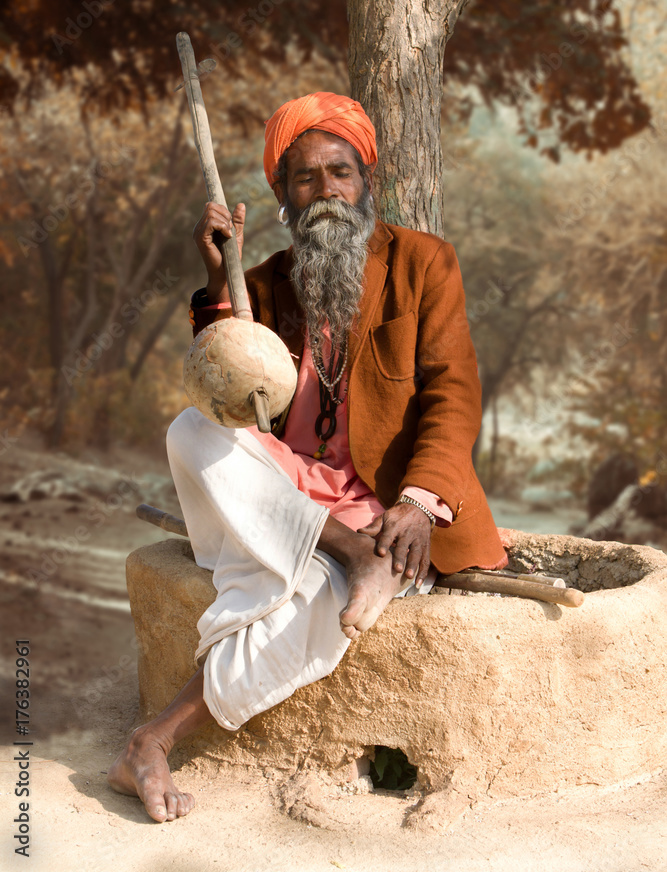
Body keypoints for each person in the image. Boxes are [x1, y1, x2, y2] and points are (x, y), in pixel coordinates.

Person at [107, 92, 507, 823]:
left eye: (340, 172)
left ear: (365, 182)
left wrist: (417, 505)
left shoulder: (423, 263)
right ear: (280, 195)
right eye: (304, 178)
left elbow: (454, 393)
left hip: (382, 509)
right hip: (285, 501)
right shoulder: (258, 282)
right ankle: (353, 556)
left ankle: (151, 740)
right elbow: (225, 384)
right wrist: (216, 271)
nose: (325, 190)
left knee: (311, 606)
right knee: (189, 431)